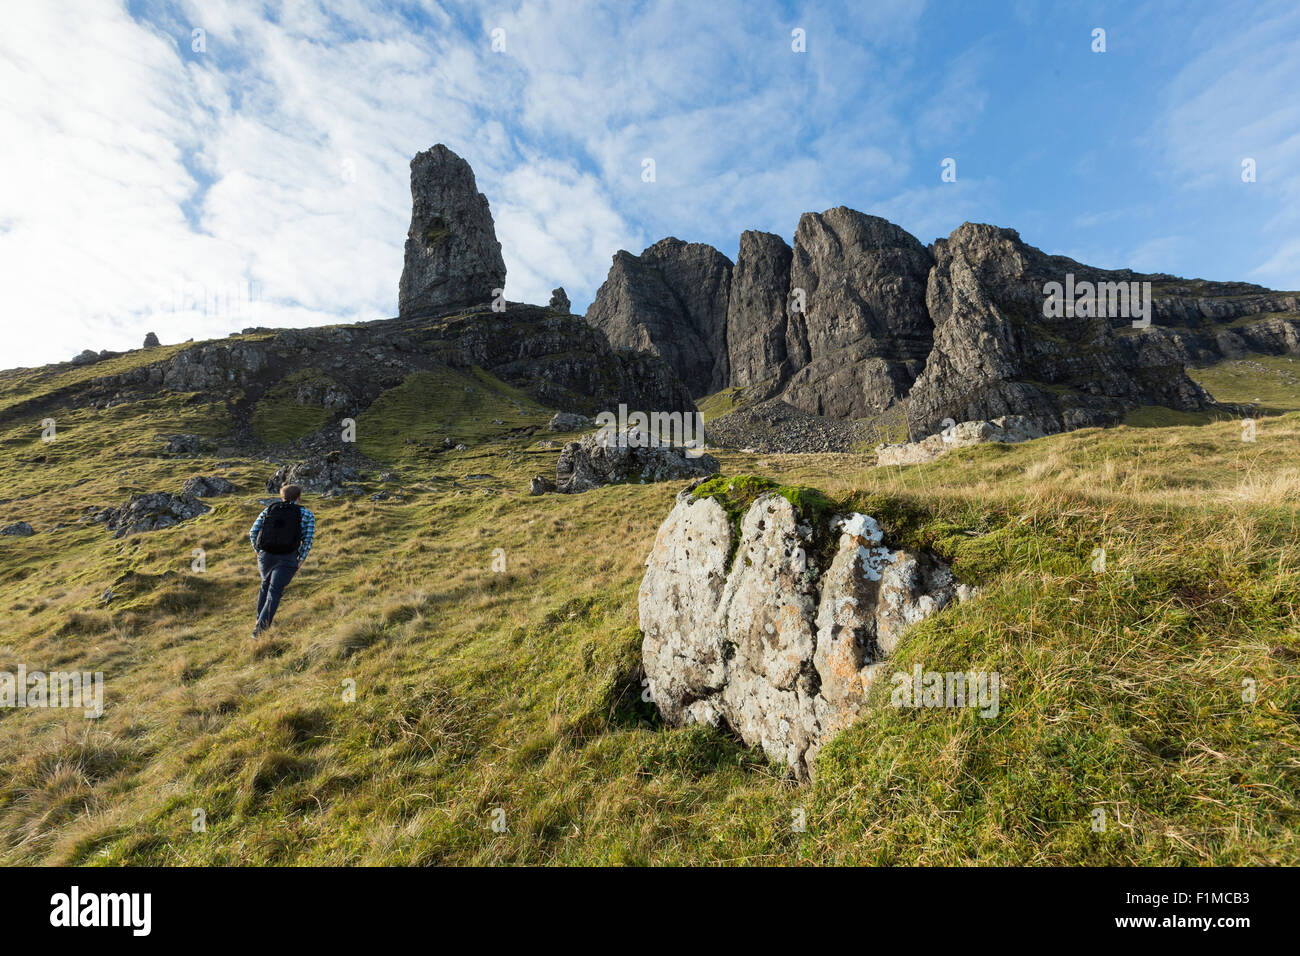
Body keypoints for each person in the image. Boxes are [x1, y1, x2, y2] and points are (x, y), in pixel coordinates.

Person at [248, 483, 315, 638]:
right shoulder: (306, 514)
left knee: (265, 586)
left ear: (282, 496)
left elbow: (253, 532)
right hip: (288, 557)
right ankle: (259, 632)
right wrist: (301, 559)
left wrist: (258, 551)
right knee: (275, 592)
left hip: (266, 556)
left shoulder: (269, 510)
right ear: (299, 497)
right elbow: (308, 539)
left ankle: (260, 621)